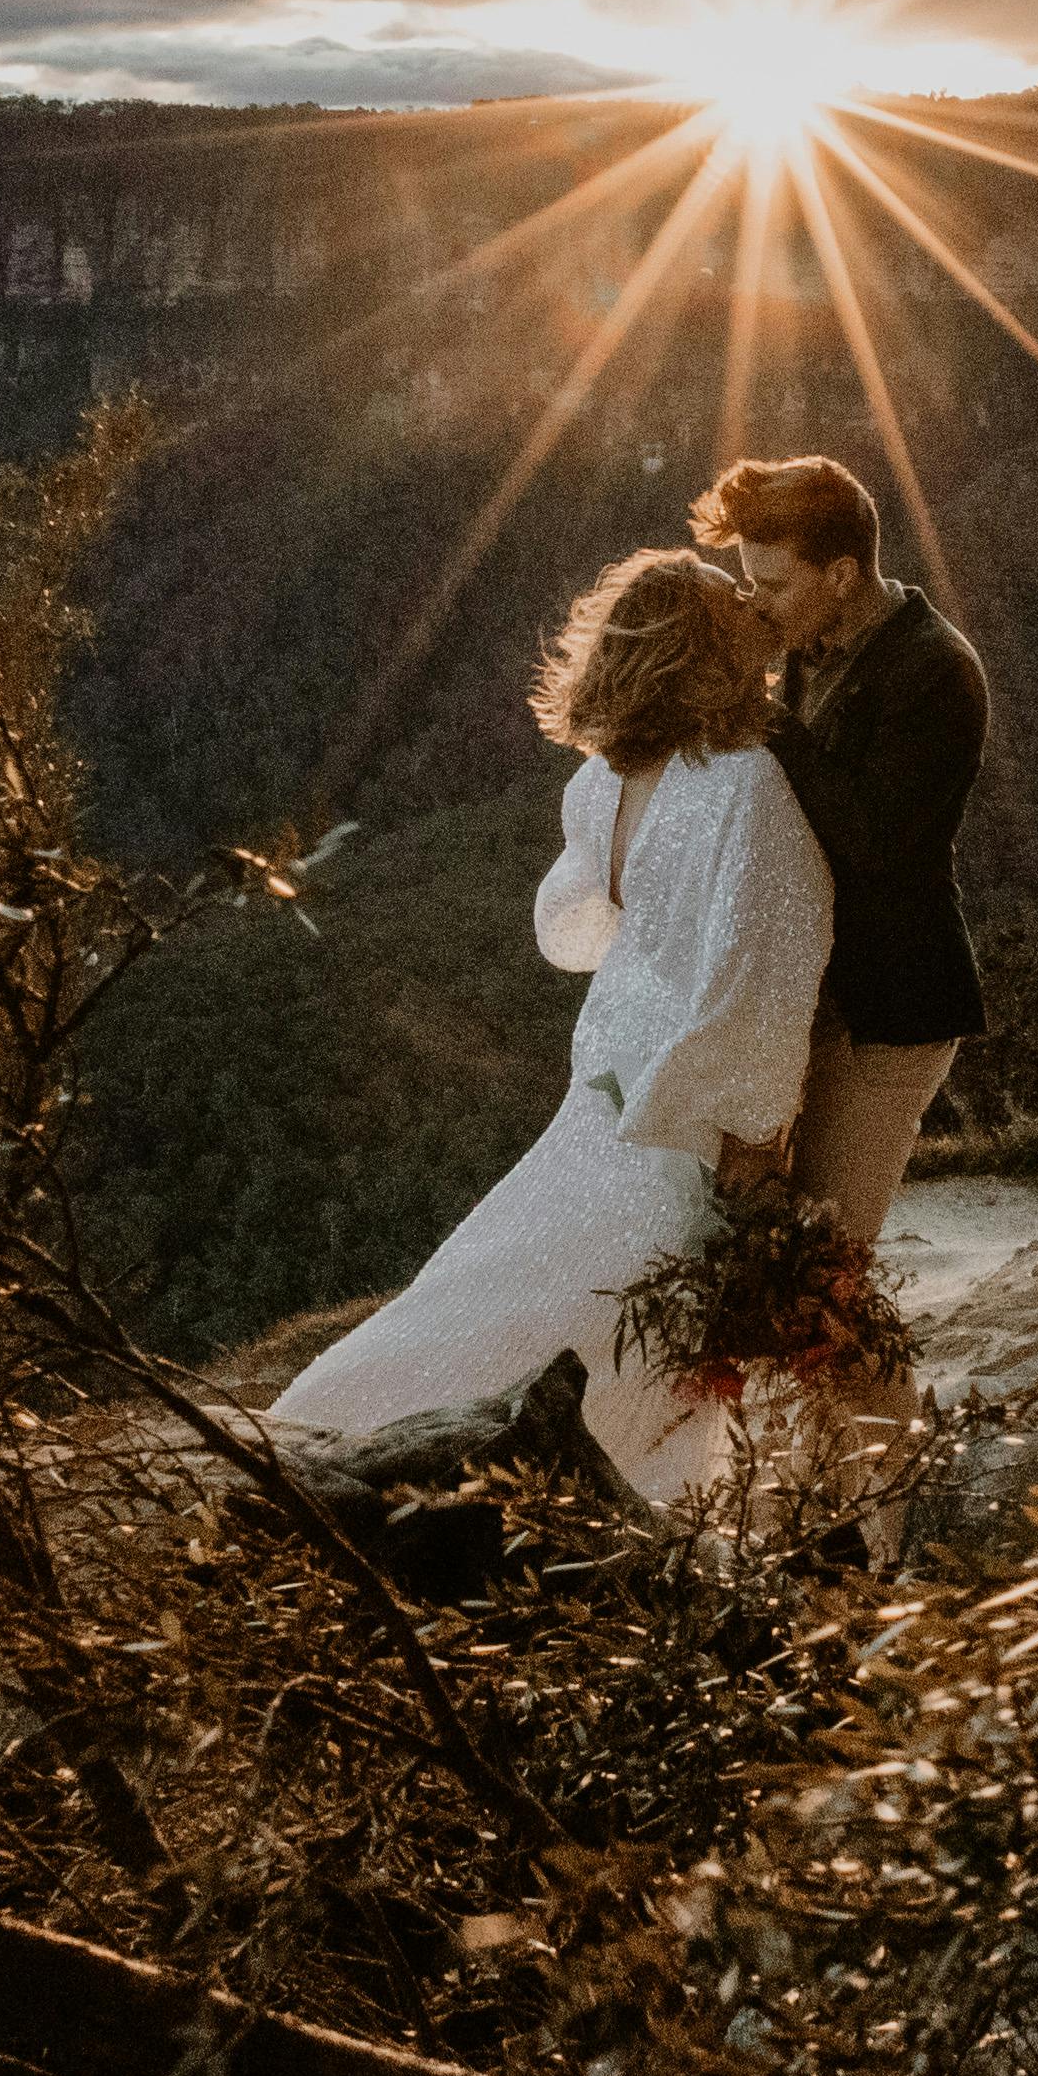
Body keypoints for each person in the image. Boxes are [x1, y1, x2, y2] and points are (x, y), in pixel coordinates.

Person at [266, 550, 832, 1502]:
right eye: (735, 609)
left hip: (603, 1080)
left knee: (499, 1282)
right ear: (710, 653)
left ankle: (326, 1436)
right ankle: (574, 1513)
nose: (754, 620)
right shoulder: (747, 789)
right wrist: (759, 1138)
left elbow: (571, 930)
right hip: (679, 1107)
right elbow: (768, 969)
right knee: (629, 1323)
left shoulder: (601, 785)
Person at [689, 454, 989, 1486]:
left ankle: (901, 1501)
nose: (756, 602)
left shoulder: (935, 672)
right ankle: (833, 1485)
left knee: (822, 1280)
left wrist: (764, 716)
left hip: (888, 1013)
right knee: (775, 1260)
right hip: (804, 997)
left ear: (846, 571)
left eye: (772, 582)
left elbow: (872, 838)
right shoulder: (812, 640)